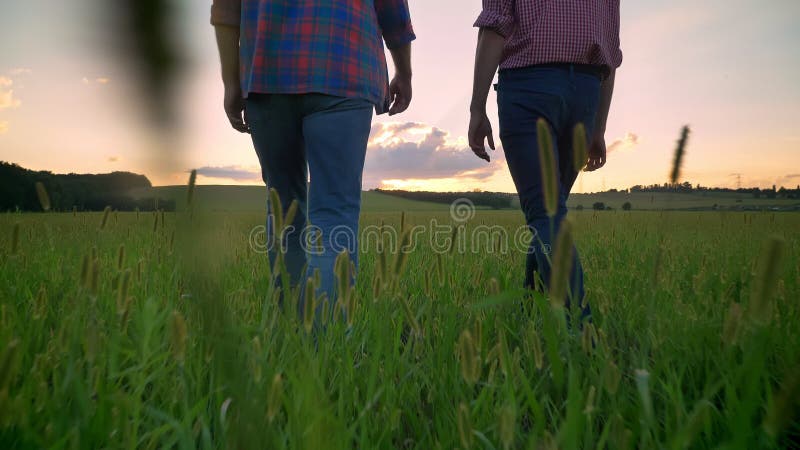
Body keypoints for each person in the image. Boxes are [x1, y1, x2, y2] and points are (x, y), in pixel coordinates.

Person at [211, 0, 415, 319]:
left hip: (267, 72)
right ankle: (327, 340)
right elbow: (393, 10)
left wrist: (231, 81)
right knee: (334, 213)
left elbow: (225, 9)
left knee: (284, 210)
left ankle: (292, 331)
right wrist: (404, 72)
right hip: (345, 67)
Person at [468, 0, 622, 321]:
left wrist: (477, 108)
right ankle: (532, 313)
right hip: (587, 90)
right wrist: (599, 127)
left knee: (546, 213)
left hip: (528, 88)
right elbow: (610, 51)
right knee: (549, 213)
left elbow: (495, 27)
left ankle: (580, 330)